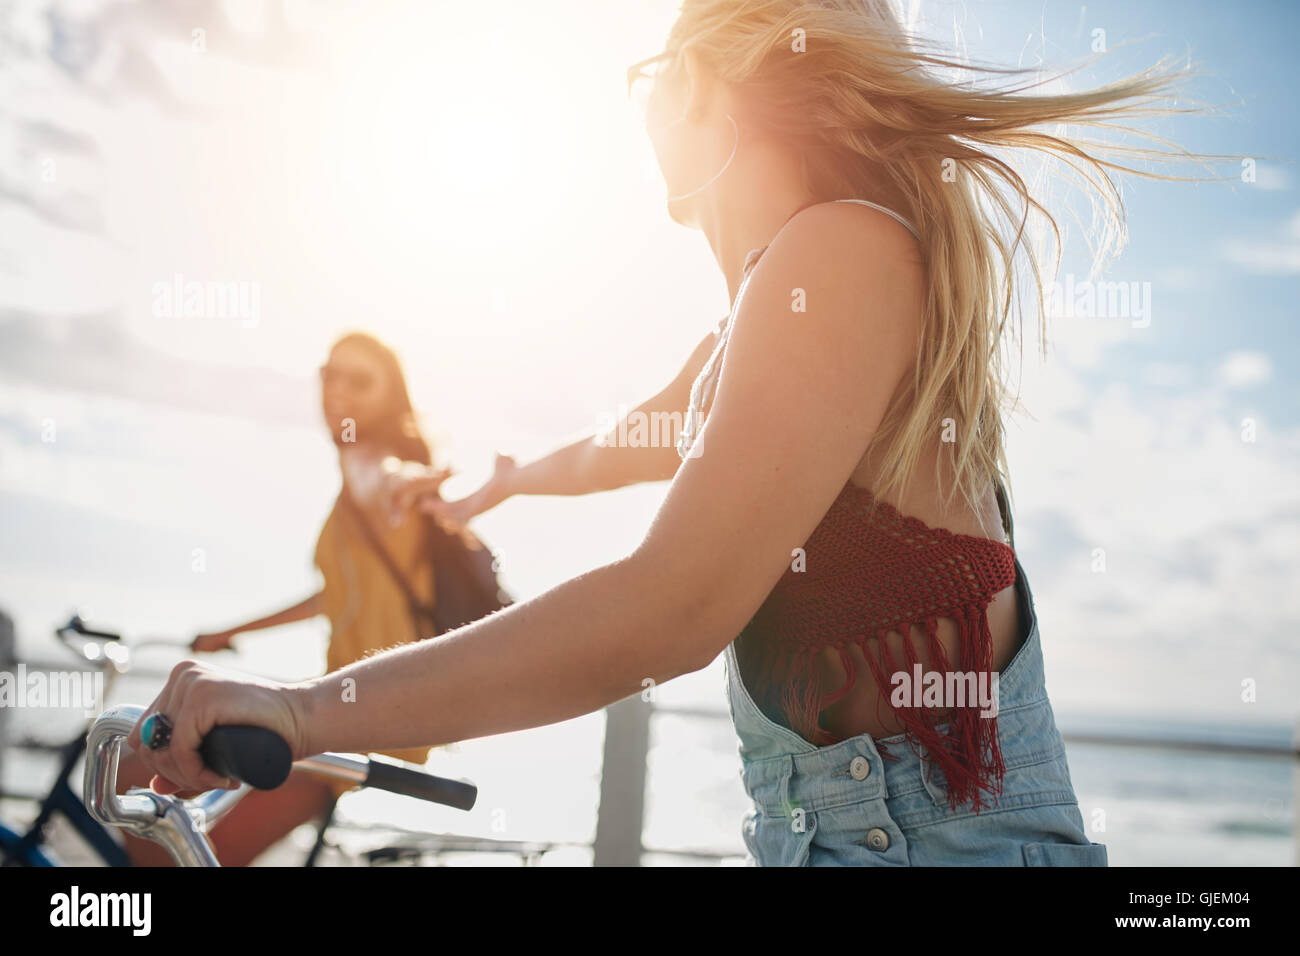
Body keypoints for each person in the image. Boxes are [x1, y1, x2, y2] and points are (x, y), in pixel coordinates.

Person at [127, 0, 1205, 865]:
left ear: (692, 85)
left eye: (645, 75)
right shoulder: (767, 315)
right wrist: (501, 485)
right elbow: (621, 442)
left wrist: (305, 708)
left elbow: (669, 609)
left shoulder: (839, 255)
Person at [118, 331, 447, 866]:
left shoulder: (377, 465)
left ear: (392, 396)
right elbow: (333, 597)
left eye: (359, 380)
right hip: (342, 705)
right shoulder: (353, 490)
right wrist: (234, 631)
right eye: (329, 374)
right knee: (148, 786)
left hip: (364, 722)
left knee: (170, 838)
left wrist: (401, 481)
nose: (338, 389)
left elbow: (380, 476)